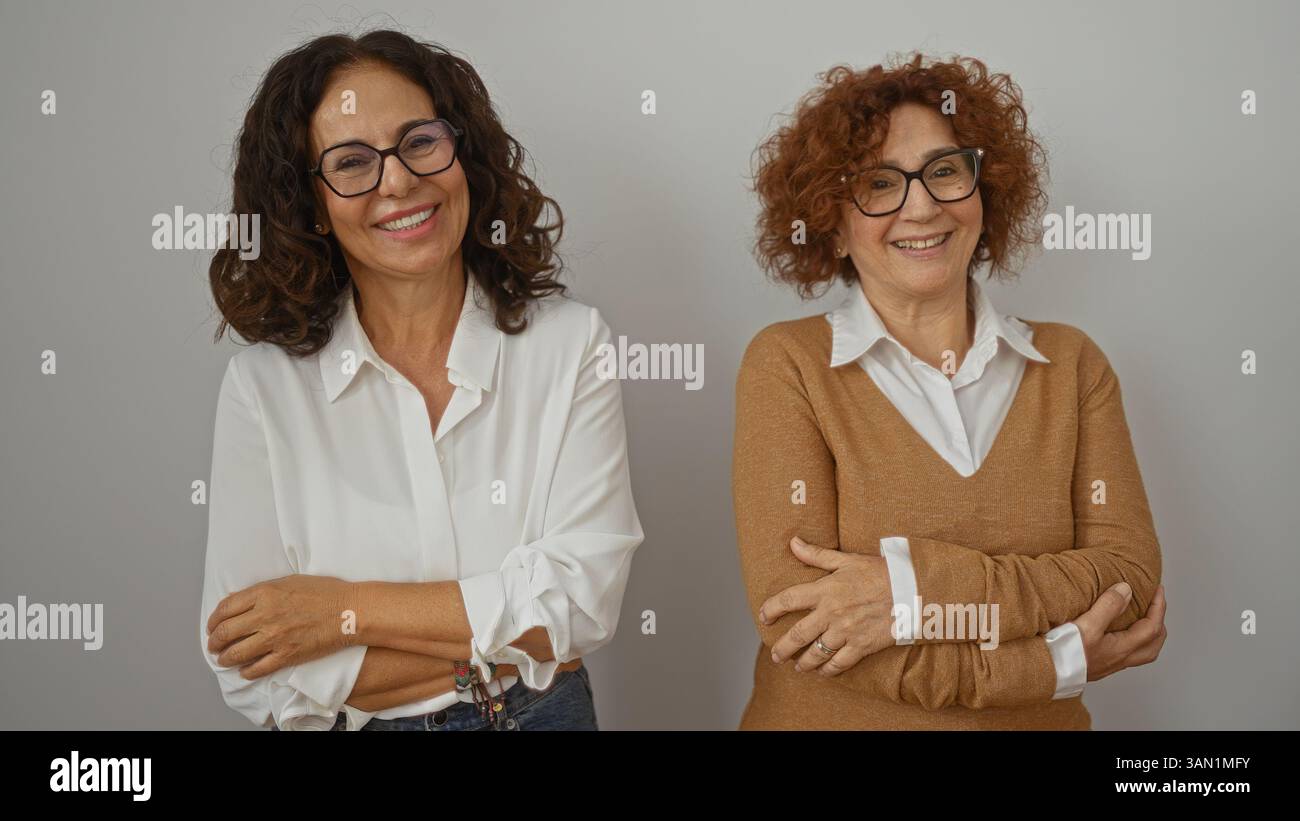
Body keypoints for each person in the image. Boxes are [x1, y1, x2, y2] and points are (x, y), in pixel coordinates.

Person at [200, 30, 642, 731]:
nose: (398, 180)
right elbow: (255, 667)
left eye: (419, 142)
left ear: (460, 151)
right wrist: (510, 643)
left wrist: (339, 613)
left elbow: (581, 604)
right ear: (311, 203)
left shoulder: (571, 344)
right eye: (350, 162)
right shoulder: (262, 389)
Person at [733, 53, 1167, 729]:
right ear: (832, 222)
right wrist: (1051, 664)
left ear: (983, 187)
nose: (922, 204)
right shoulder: (787, 365)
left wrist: (906, 591)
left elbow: (1127, 581)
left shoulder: (1073, 364)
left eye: (944, 171)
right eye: (879, 183)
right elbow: (805, 628)